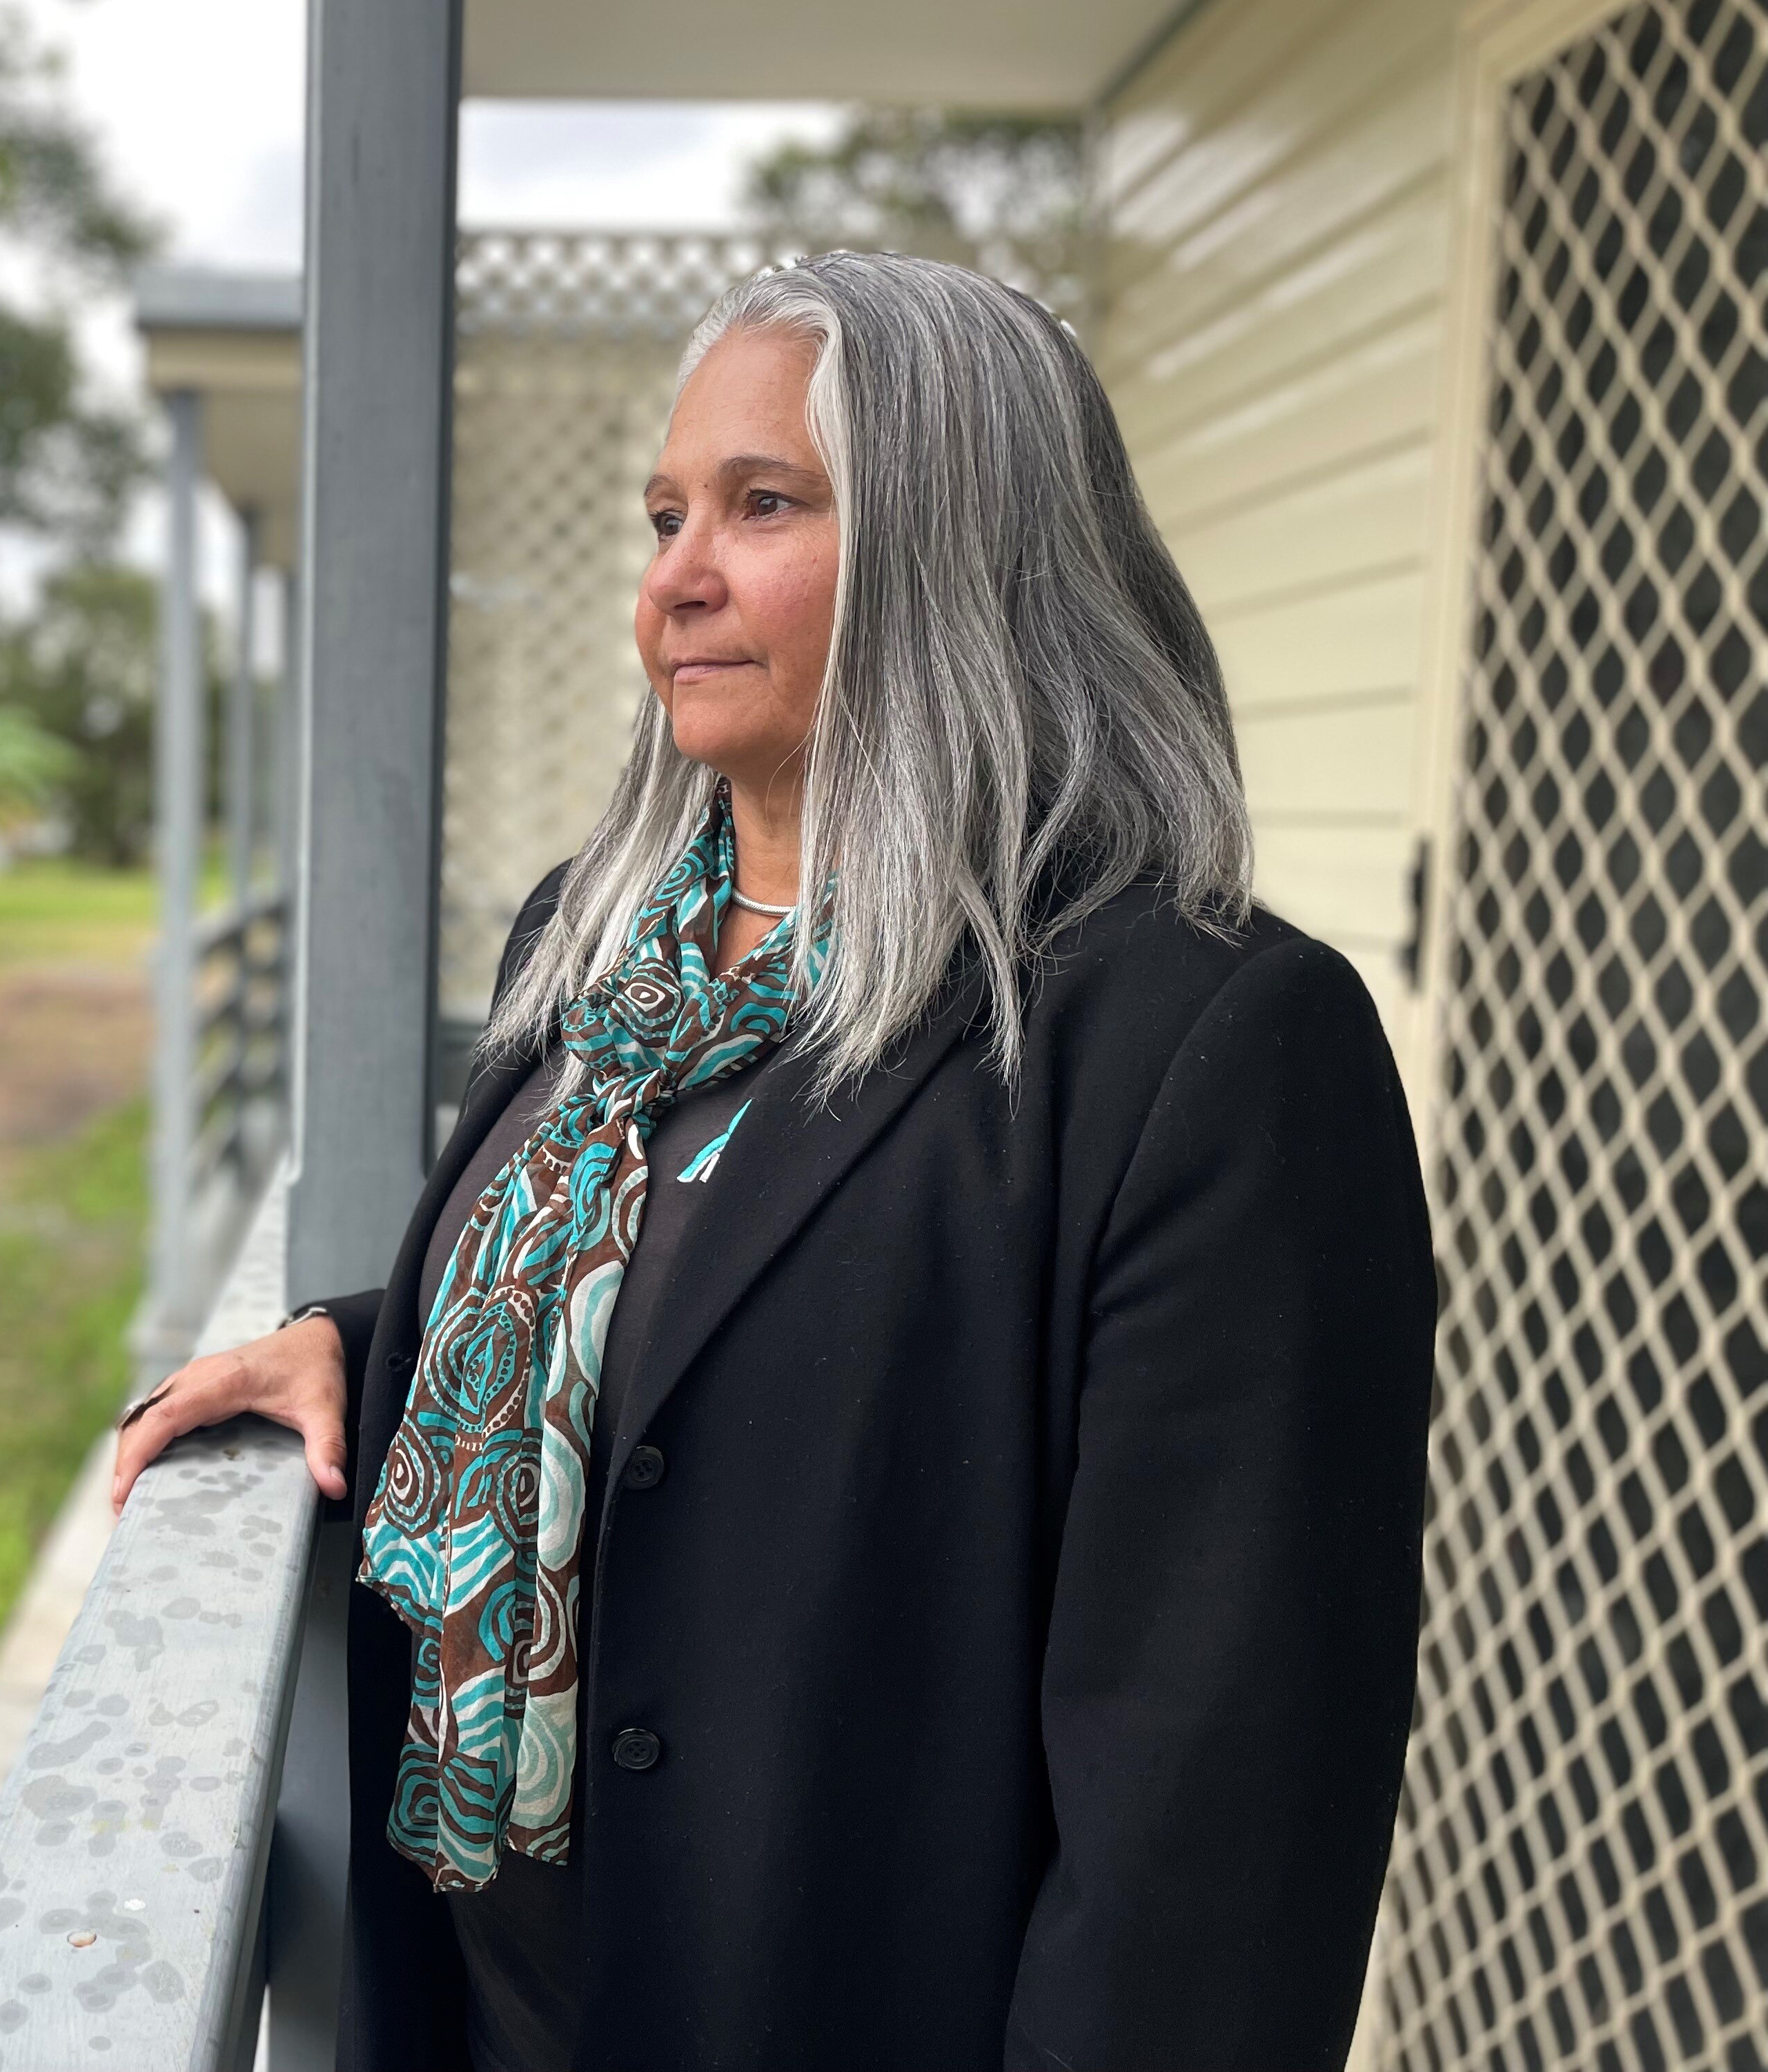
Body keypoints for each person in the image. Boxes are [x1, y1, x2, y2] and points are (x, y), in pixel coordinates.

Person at [111, 251, 1433, 2072]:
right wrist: (380, 1335)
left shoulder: (1198, 1042)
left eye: (766, 505)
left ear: (964, 550)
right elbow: (690, 1322)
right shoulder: (596, 941)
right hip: (486, 2016)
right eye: (667, 515)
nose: (677, 579)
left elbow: (1214, 1827)